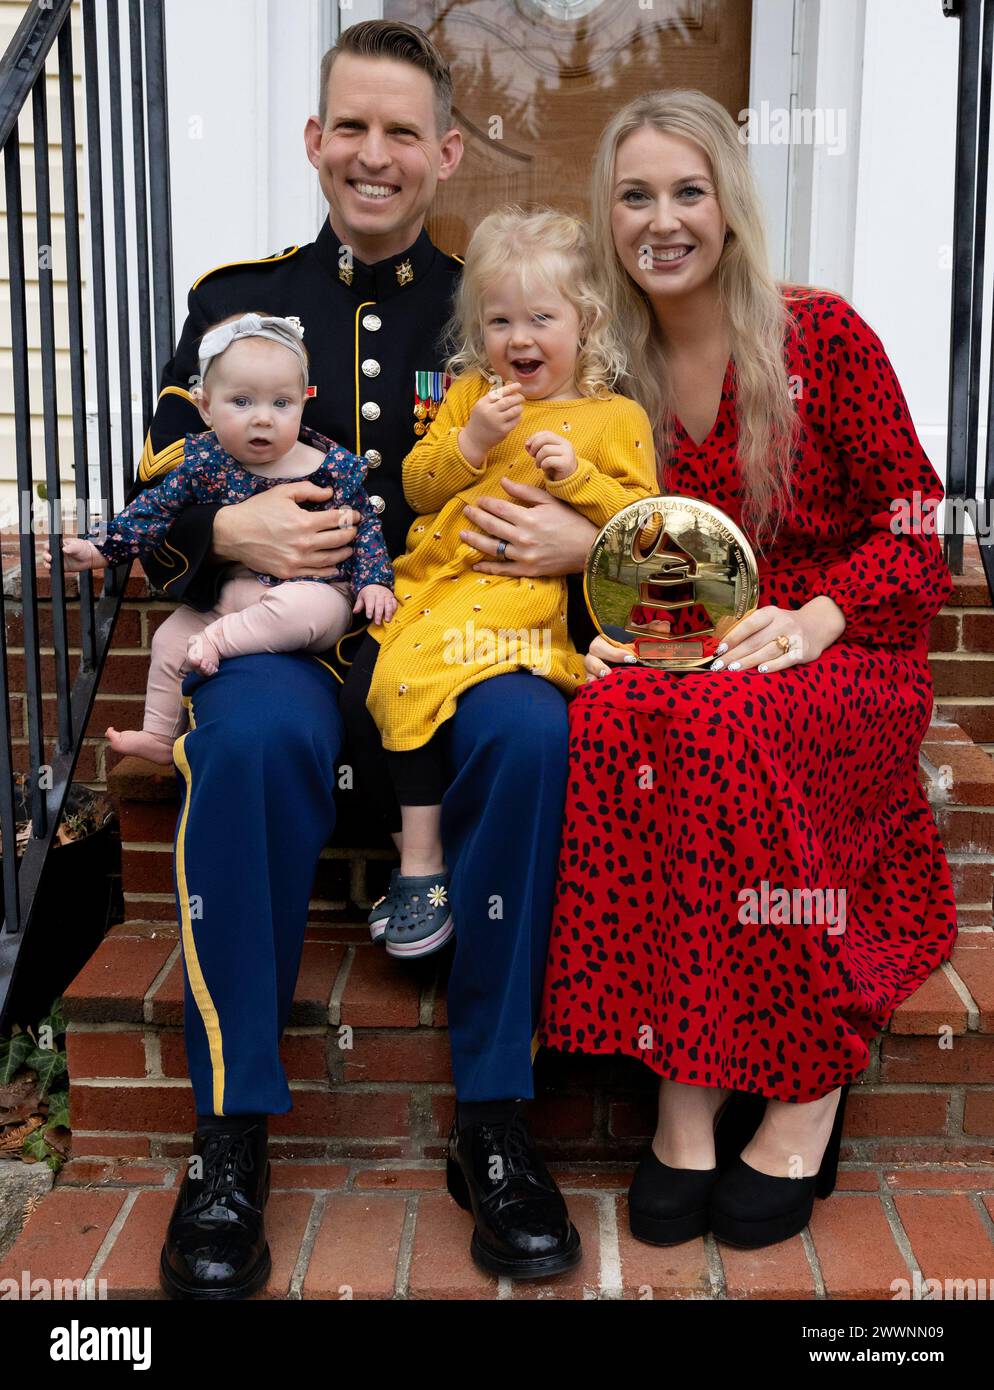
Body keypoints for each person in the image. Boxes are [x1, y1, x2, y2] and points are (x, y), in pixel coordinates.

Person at [134, 21, 597, 1299]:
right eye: (351, 126)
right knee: (245, 736)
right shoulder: (233, 304)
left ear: (447, 152)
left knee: (530, 734)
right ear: (313, 140)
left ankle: (495, 1119)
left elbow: (587, 443)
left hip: (456, 631)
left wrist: (579, 535)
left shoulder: (493, 300)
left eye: (403, 131)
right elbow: (154, 491)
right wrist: (222, 523)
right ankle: (227, 1140)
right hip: (293, 636)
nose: (373, 154)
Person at [537, 89, 958, 1251]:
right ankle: (686, 1088)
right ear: (606, 214)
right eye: (634, 195)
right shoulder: (603, 367)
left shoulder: (818, 333)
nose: (661, 218)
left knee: (728, 728)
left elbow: (923, 522)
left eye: (687, 190)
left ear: (727, 204)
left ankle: (803, 1082)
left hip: (847, 648)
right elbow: (601, 537)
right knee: (611, 719)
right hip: (694, 655)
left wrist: (821, 616)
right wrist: (607, 618)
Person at [344, 207, 656, 959]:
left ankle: (424, 873)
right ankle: (419, 863)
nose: (519, 339)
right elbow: (418, 488)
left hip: (516, 602)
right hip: (434, 585)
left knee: (409, 684)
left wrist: (578, 477)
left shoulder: (615, 416)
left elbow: (642, 521)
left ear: (586, 321)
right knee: (361, 692)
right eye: (499, 321)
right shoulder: (470, 396)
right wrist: (471, 440)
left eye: (541, 318)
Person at [45, 314, 394, 765]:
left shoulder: (330, 466)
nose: (263, 419)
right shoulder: (204, 462)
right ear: (206, 407)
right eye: (242, 402)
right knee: (171, 637)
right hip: (235, 592)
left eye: (282, 403)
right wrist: (97, 549)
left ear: (303, 405)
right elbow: (151, 513)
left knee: (299, 609)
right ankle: (158, 734)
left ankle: (220, 642)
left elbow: (366, 527)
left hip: (318, 594)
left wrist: (374, 581)